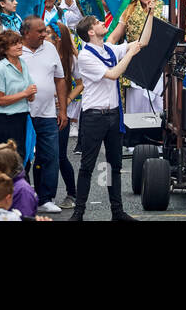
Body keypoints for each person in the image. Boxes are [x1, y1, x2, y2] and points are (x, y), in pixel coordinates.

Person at [70, 11, 153, 221]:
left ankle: (117, 212)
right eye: (98, 22)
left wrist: (150, 14)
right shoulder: (86, 56)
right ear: (91, 32)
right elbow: (114, 74)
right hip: (94, 116)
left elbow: (143, 41)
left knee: (114, 165)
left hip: (114, 114)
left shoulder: (108, 48)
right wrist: (129, 54)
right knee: (88, 166)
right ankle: (78, 212)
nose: (102, 23)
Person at [20, 16, 67, 215]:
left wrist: (63, 110)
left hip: (48, 114)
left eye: (44, 31)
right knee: (23, 158)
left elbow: (60, 80)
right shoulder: (15, 50)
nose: (43, 35)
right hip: (22, 114)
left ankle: (46, 198)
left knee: (50, 156)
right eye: (39, 32)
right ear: (26, 33)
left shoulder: (49, 48)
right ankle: (26, 197)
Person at [0, 30, 35, 152]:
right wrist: (25, 93)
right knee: (8, 161)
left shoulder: (22, 62)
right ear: (4, 49)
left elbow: (30, 93)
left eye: (20, 42)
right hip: (5, 121)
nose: (20, 46)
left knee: (24, 157)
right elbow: (0, 100)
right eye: (14, 44)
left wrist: (30, 95)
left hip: (23, 117)